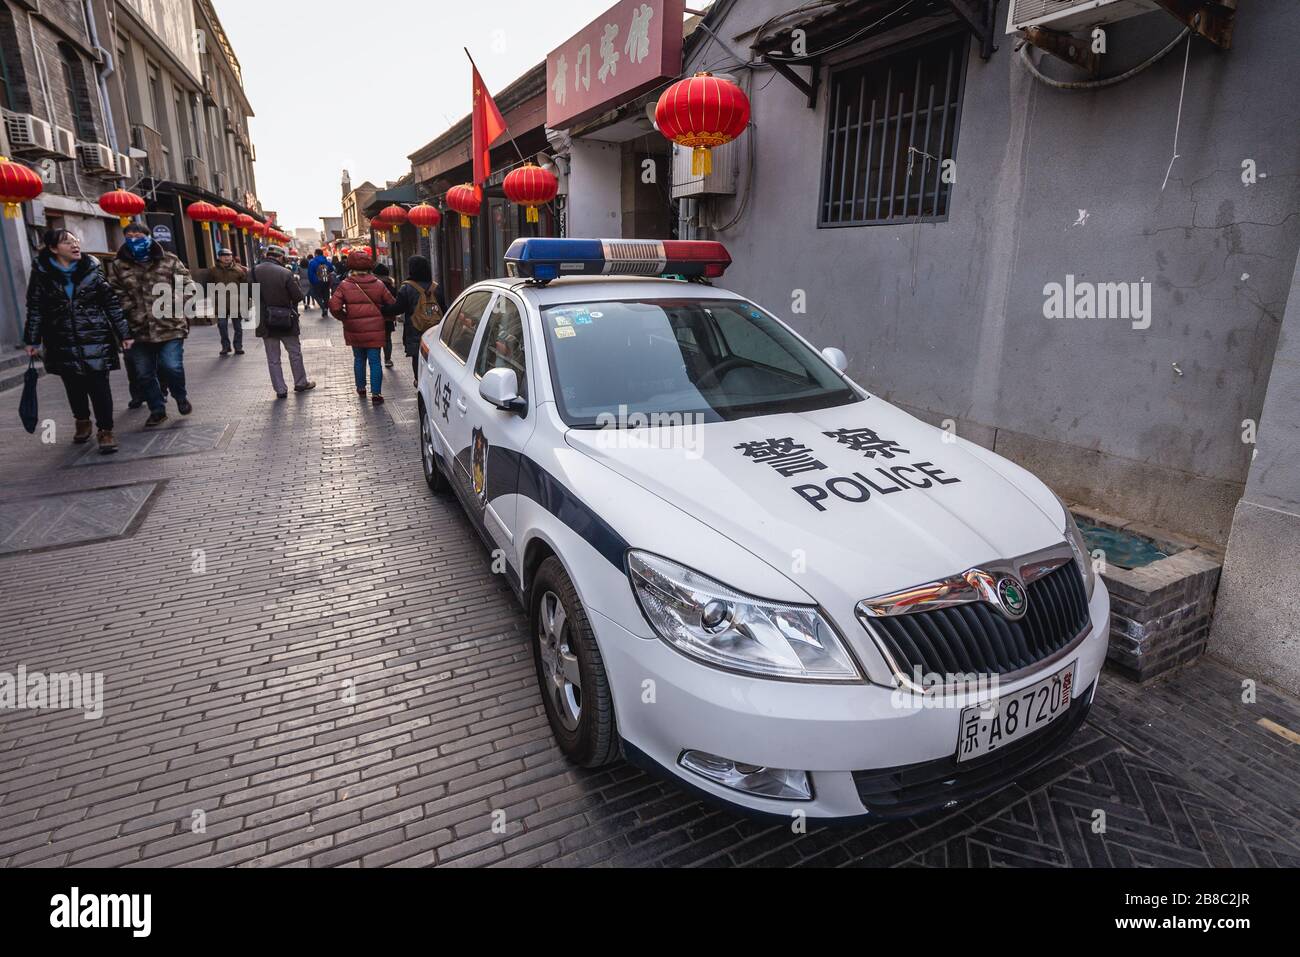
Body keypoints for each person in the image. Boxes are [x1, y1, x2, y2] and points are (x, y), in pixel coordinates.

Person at [22, 228, 132, 454]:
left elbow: (110, 303)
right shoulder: (42, 274)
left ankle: (105, 430)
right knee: (74, 387)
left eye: (75, 240)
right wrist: (31, 340)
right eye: (67, 242)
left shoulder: (92, 269)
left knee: (100, 387)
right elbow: (35, 308)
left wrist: (125, 333)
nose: (75, 245)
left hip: (95, 336)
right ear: (53, 249)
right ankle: (82, 420)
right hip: (61, 338)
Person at [106, 221, 196, 428]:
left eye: (139, 236)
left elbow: (188, 285)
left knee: (171, 366)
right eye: (130, 238)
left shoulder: (169, 260)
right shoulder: (119, 265)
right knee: (144, 374)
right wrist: (132, 308)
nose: (135, 241)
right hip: (137, 329)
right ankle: (157, 409)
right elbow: (114, 292)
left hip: (169, 326)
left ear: (149, 237)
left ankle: (180, 396)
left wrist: (173, 302)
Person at [329, 249, 394, 404]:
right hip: (376, 329)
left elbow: (334, 306)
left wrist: (345, 318)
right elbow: (391, 303)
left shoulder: (345, 285)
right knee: (375, 361)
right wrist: (384, 317)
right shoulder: (378, 284)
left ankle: (361, 388)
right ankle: (376, 394)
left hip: (354, 328)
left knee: (359, 358)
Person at [253, 245, 316, 399]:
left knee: (273, 358)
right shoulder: (285, 273)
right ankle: (300, 383)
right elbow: (298, 297)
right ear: (280, 257)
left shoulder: (253, 272)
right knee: (295, 353)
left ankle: (280, 390)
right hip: (286, 320)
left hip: (265, 320)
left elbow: (248, 293)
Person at [381, 254, 445, 387]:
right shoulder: (436, 287)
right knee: (435, 356)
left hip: (415, 330)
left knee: (417, 356)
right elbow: (444, 309)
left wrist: (382, 309)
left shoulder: (407, 288)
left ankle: (419, 381)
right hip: (435, 330)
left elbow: (397, 308)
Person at [205, 247, 249, 356]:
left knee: (238, 327)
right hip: (221, 303)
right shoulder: (213, 271)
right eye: (224, 256)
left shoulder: (239, 270)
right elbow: (209, 286)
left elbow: (245, 287)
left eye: (229, 255)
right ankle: (225, 346)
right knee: (222, 325)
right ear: (219, 258)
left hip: (236, 303)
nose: (227, 258)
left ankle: (238, 346)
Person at [373, 262, 398, 369]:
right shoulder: (391, 286)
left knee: (376, 340)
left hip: (374, 317)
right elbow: (395, 302)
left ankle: (377, 361)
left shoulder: (373, 286)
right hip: (388, 317)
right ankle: (388, 359)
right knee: (387, 338)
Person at [306, 248, 334, 318]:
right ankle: (326, 310)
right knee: (326, 296)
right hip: (326, 281)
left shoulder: (312, 262)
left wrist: (312, 282)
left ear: (316, 254)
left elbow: (310, 273)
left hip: (316, 282)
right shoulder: (326, 261)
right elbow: (331, 268)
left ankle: (323, 307)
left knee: (314, 294)